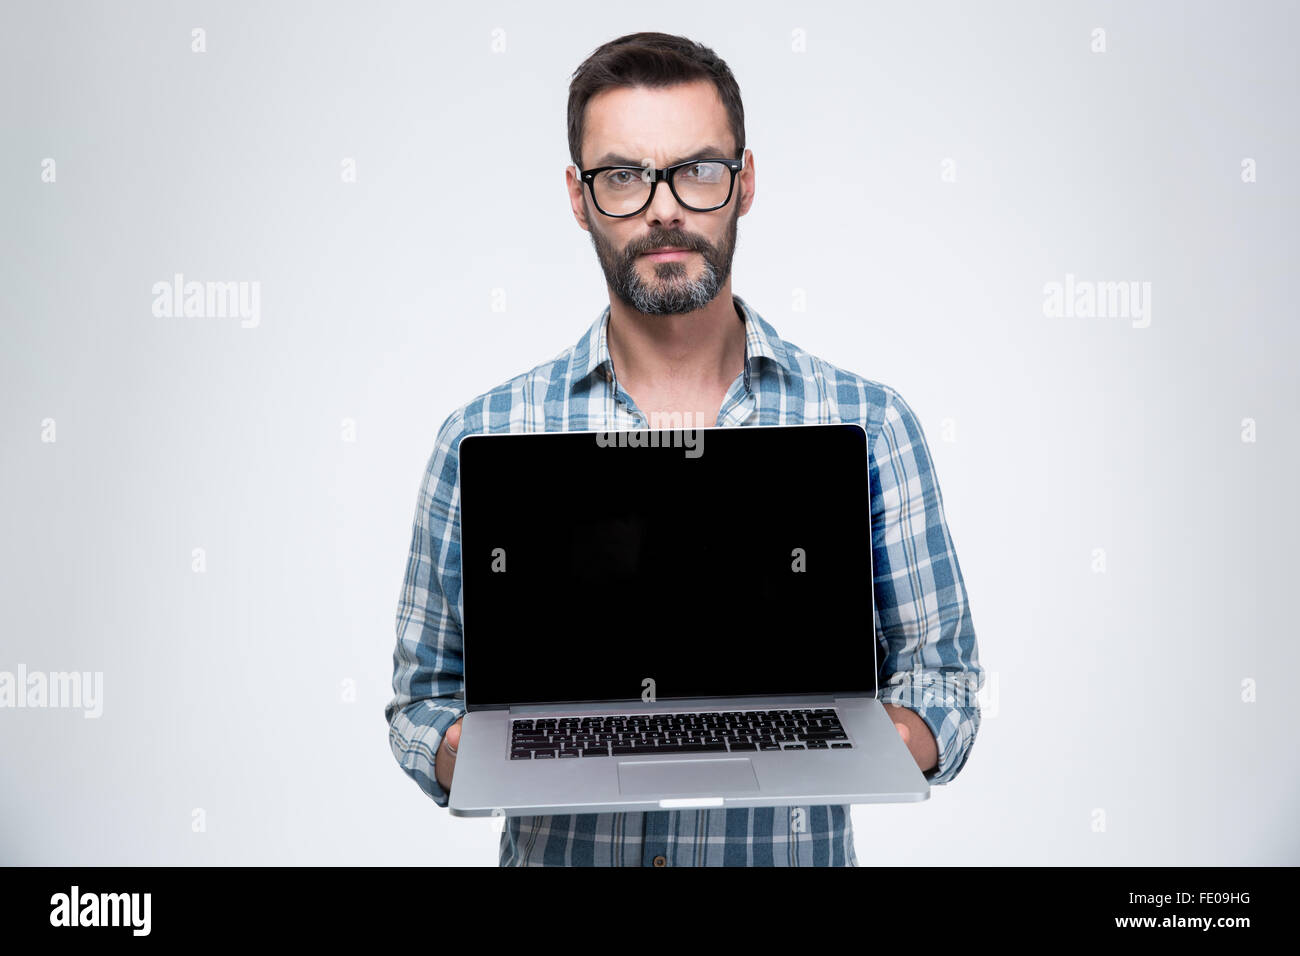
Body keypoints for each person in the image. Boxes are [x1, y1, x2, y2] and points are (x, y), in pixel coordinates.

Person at [385, 31, 984, 866]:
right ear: (577, 195)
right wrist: (485, 753)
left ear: (743, 185)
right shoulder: (485, 435)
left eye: (697, 170)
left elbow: (945, 686)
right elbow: (421, 705)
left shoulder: (870, 423)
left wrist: (853, 741)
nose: (663, 207)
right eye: (624, 176)